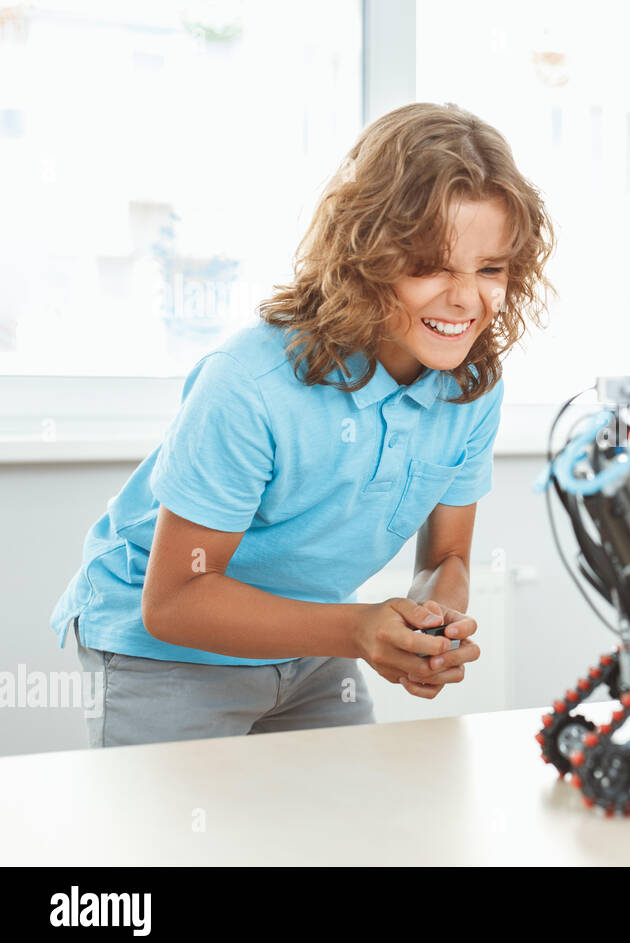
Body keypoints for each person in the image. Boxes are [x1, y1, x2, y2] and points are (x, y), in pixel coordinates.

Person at [50, 103, 554, 745]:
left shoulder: (472, 387)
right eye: (430, 266)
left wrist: (434, 623)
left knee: (341, 835)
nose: (464, 299)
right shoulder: (250, 382)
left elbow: (449, 554)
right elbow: (174, 599)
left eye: (490, 270)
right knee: (183, 845)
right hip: (167, 655)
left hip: (313, 650)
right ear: (367, 254)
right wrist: (357, 629)